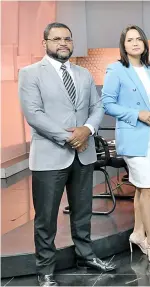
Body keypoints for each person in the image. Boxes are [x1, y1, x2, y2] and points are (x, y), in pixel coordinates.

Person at [18, 22, 116, 286]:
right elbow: (34, 114)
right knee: (46, 217)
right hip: (51, 155)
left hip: (83, 156)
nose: (63, 43)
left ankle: (86, 256)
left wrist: (87, 129)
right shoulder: (30, 74)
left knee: (83, 212)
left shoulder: (83, 74)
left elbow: (97, 107)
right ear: (45, 43)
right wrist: (72, 137)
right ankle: (45, 269)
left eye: (67, 39)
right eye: (57, 39)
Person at [101, 25, 150, 265]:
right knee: (149, 189)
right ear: (124, 44)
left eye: (139, 39)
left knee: (142, 188)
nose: (135, 43)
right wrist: (136, 114)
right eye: (130, 40)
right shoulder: (116, 69)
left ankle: (138, 233)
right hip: (132, 137)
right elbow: (107, 104)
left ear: (145, 44)